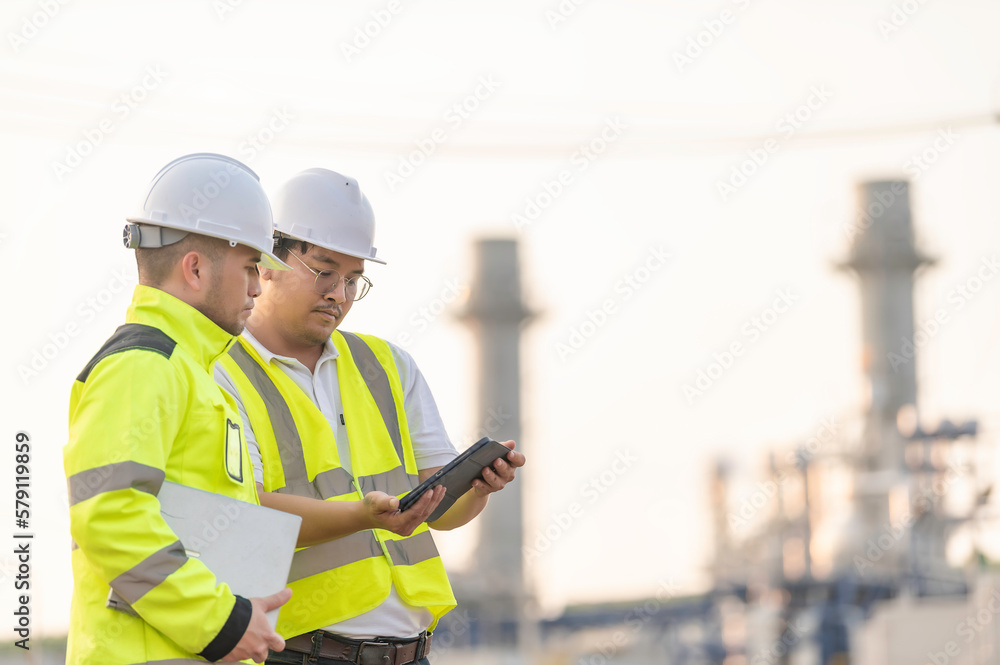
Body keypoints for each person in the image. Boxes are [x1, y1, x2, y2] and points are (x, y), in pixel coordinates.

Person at [214, 168, 525, 665]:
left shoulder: (388, 366)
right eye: (324, 270)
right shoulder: (218, 372)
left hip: (411, 653)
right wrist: (361, 516)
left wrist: (479, 489)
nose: (339, 293)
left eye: (355, 278)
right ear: (268, 259)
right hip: (299, 653)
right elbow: (241, 516)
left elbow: (441, 512)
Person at [64, 153, 295, 665]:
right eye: (250, 267)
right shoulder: (145, 365)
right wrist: (221, 622)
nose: (259, 285)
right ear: (194, 269)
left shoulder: (190, 370)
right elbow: (109, 513)